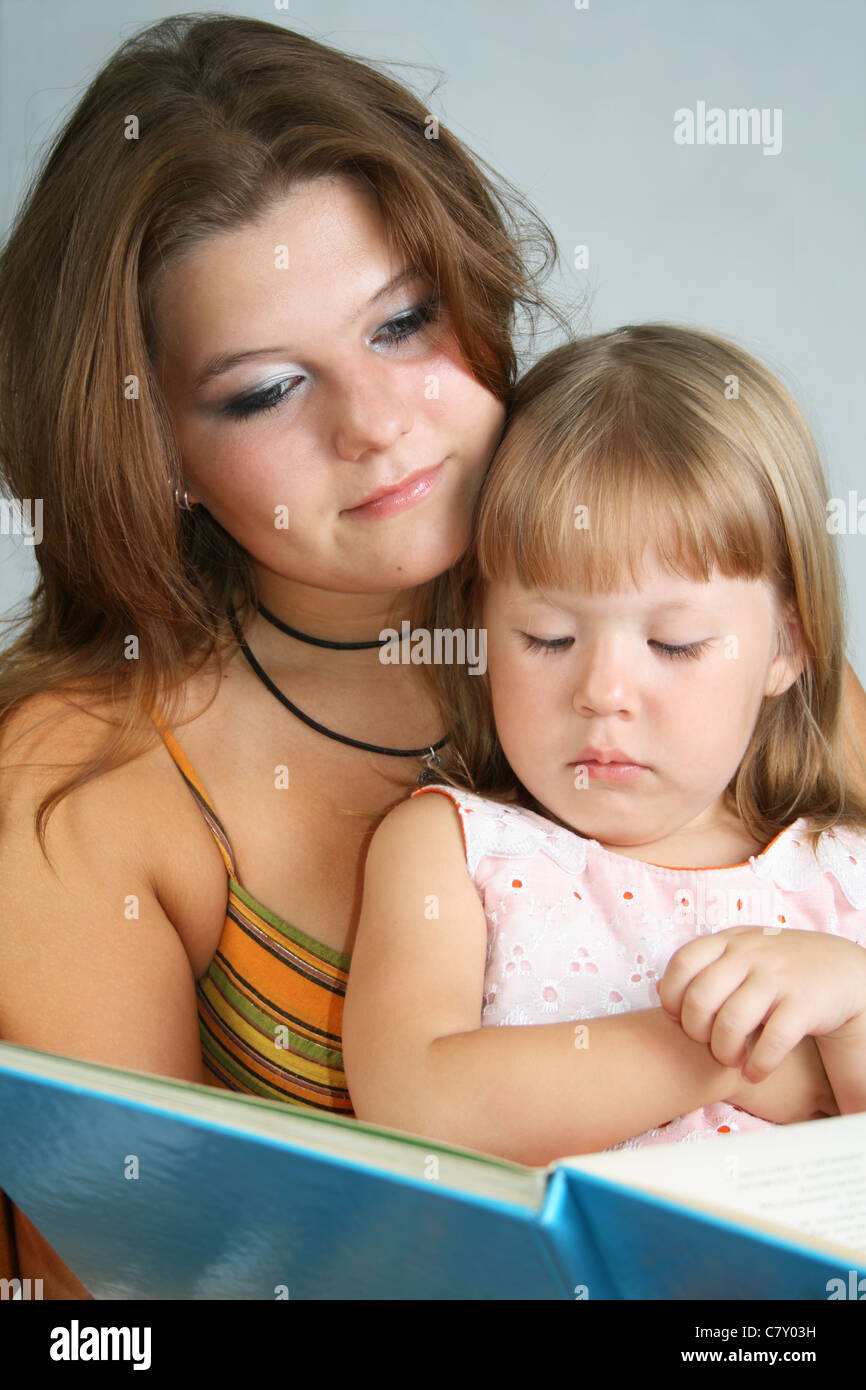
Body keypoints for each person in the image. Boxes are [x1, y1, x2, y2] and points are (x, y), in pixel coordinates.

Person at [0, 14, 864, 1296]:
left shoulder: (680, 608)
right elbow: (109, 1295)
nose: (380, 426)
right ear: (151, 450)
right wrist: (770, 1058)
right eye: (263, 391)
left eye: (403, 323)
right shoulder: (81, 779)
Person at [343, 325, 866, 1166]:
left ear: (787, 649)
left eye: (675, 644)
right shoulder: (457, 849)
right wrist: (721, 1055)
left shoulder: (842, 875)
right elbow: (413, 1105)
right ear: (480, 627)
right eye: (548, 638)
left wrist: (853, 1015)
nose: (603, 694)